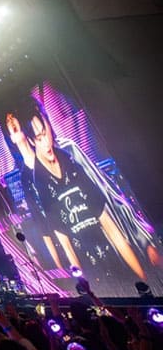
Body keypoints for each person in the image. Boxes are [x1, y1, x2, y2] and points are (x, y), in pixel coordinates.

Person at [19, 101, 157, 288]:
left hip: (112, 249)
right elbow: (62, 239)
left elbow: (110, 215)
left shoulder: (70, 155)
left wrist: (147, 277)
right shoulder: (37, 179)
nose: (45, 142)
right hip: (90, 265)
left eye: (46, 133)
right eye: (39, 137)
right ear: (32, 141)